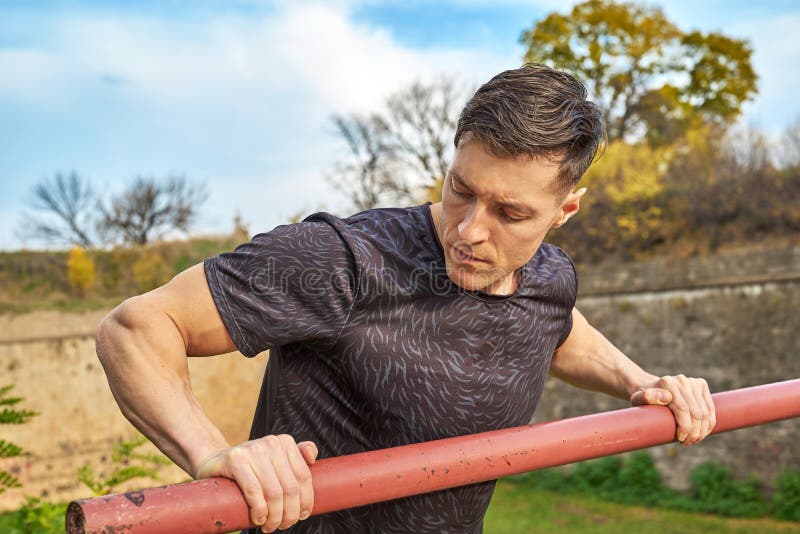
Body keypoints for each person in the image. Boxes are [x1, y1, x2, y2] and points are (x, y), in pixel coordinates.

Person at [95, 63, 716, 533]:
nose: (471, 229)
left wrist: (643, 383)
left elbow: (557, 328)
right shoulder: (341, 260)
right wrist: (214, 454)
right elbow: (137, 327)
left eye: (510, 212)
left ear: (564, 210)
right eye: (461, 189)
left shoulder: (549, 275)